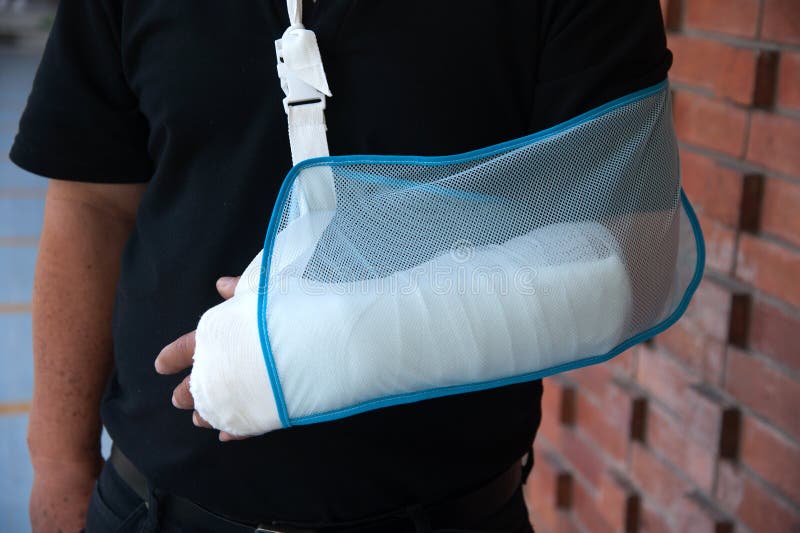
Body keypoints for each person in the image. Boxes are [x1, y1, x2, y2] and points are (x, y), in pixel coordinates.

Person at [11, 1, 672, 531]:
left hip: (444, 509)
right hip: (152, 503)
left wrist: (314, 338)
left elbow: (620, 260)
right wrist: (58, 466)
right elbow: (92, 197)